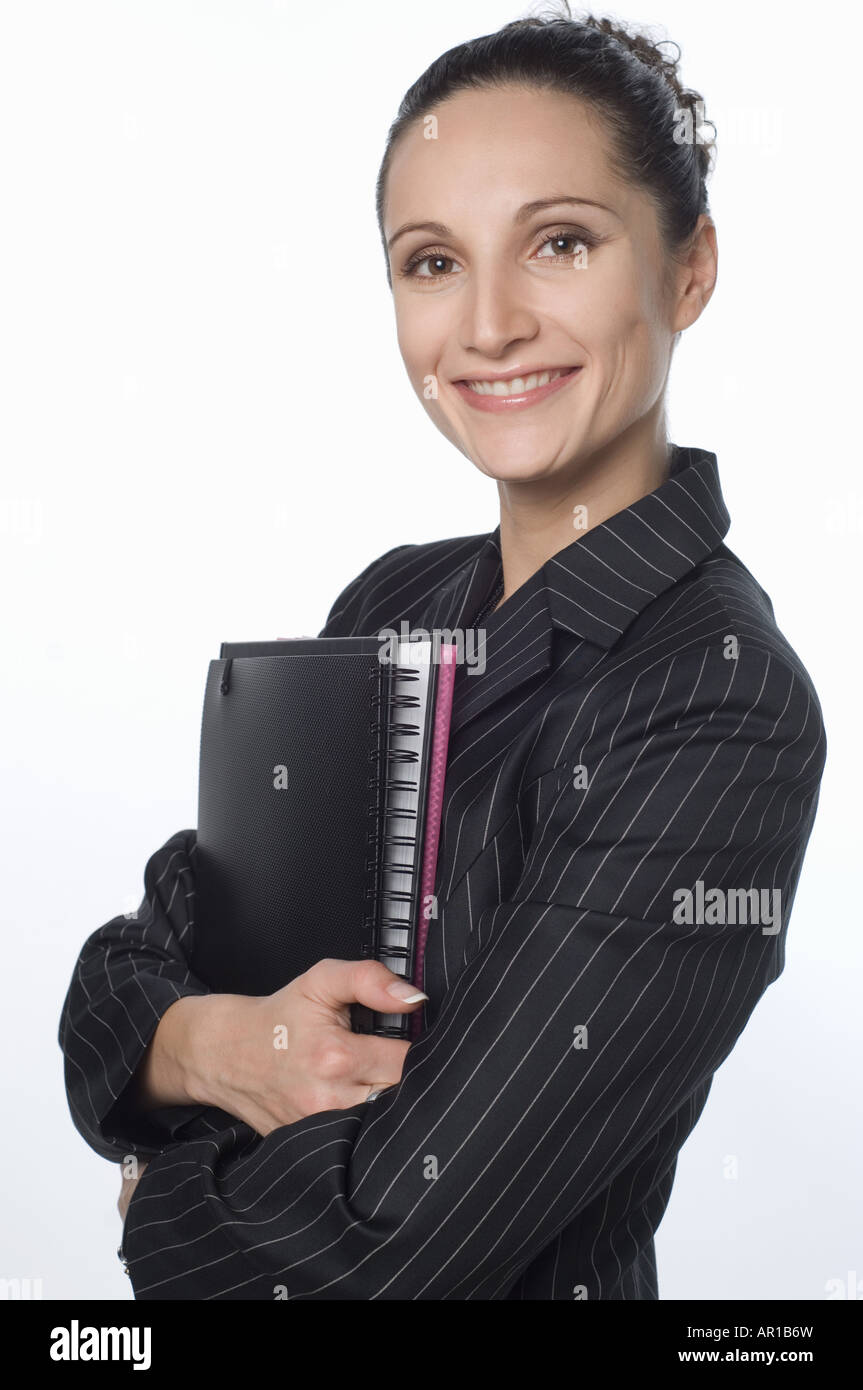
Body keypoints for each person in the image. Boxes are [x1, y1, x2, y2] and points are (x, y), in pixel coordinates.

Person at [59, 5, 826, 1300]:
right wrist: (208, 1044)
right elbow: (130, 963)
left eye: (560, 243)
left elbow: (401, 1239)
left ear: (690, 269)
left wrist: (156, 1196)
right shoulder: (392, 598)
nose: (489, 324)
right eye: (431, 262)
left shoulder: (719, 699)